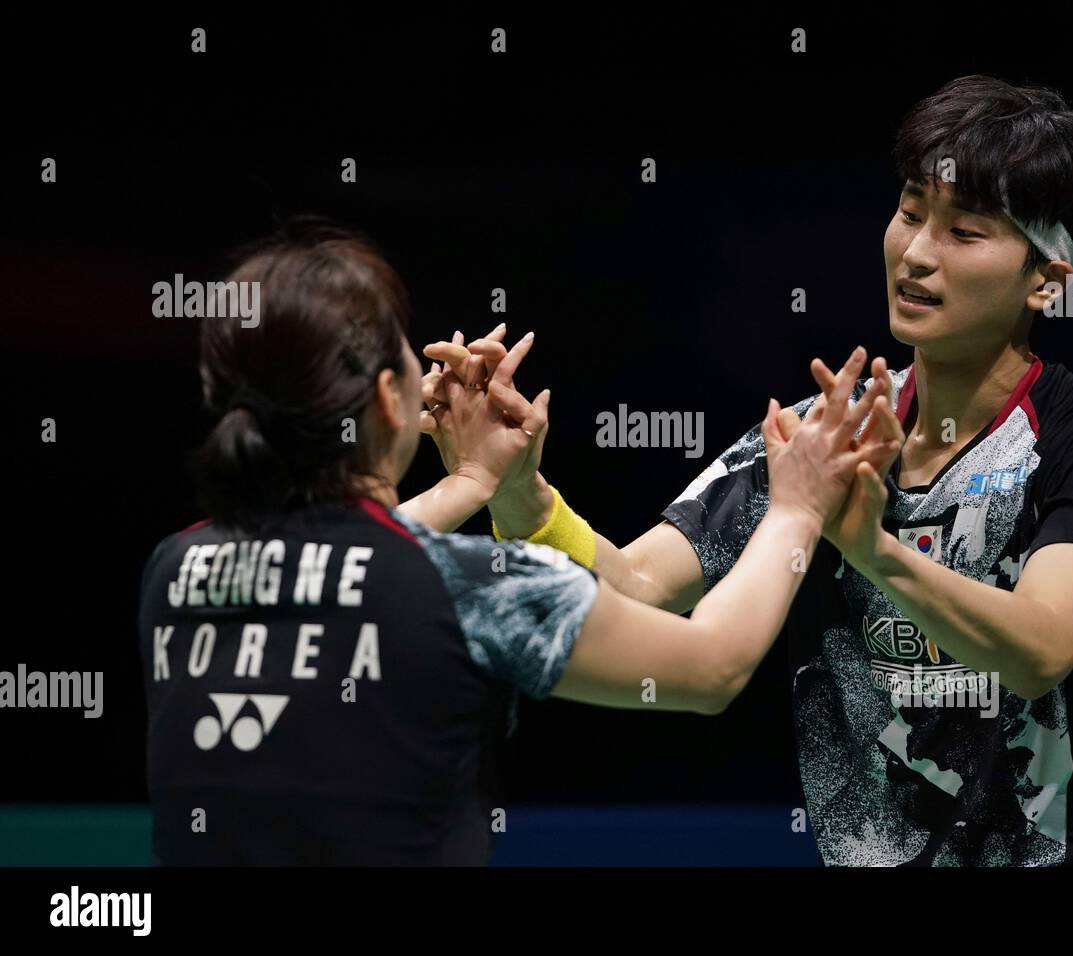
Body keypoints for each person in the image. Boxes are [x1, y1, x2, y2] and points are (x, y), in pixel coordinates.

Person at [431, 75, 1073, 865]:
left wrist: (872, 549)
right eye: (912, 212)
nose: (916, 253)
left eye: (965, 232)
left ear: (1046, 280)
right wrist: (518, 490)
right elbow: (631, 588)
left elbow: (1041, 648)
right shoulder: (817, 443)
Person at [137, 219, 894, 865]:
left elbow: (344, 565)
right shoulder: (476, 586)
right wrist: (796, 507)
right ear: (386, 400)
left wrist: (475, 482)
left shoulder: (173, 571)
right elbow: (712, 666)